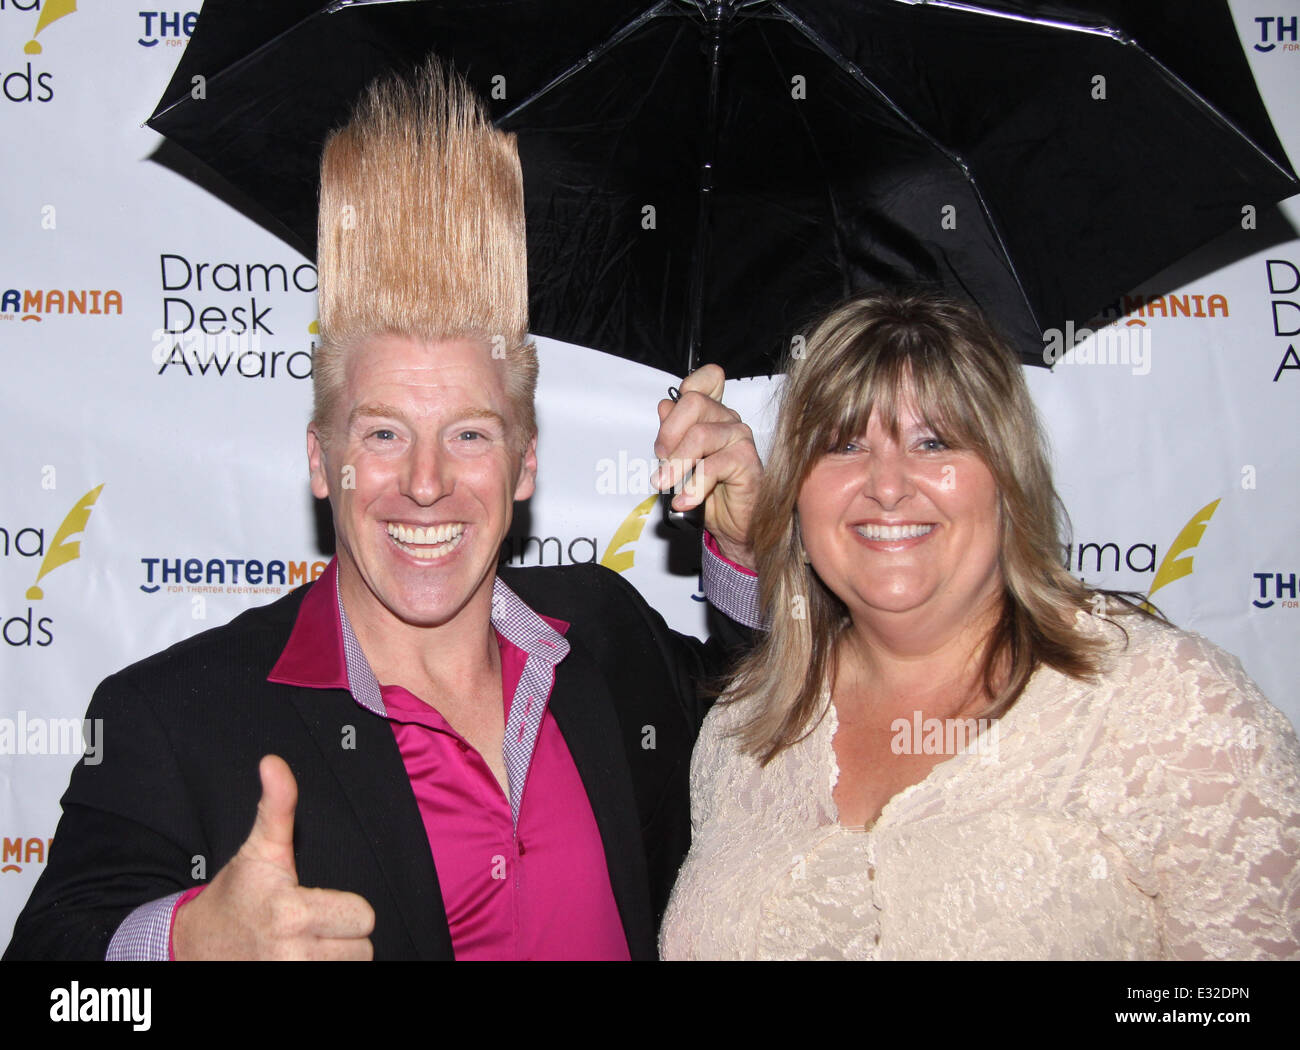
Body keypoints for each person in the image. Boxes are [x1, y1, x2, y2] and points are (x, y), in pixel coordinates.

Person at [4, 61, 762, 961]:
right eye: (384, 436)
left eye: (471, 436)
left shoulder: (608, 637)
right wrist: (187, 946)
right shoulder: (177, 717)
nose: (429, 483)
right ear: (321, 461)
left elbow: (766, 728)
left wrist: (743, 547)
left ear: (526, 464)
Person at [660, 289, 1300, 960]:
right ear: (796, 492)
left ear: (1007, 476)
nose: (886, 484)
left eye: (933, 441)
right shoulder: (741, 732)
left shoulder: (1163, 706)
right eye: (845, 444)